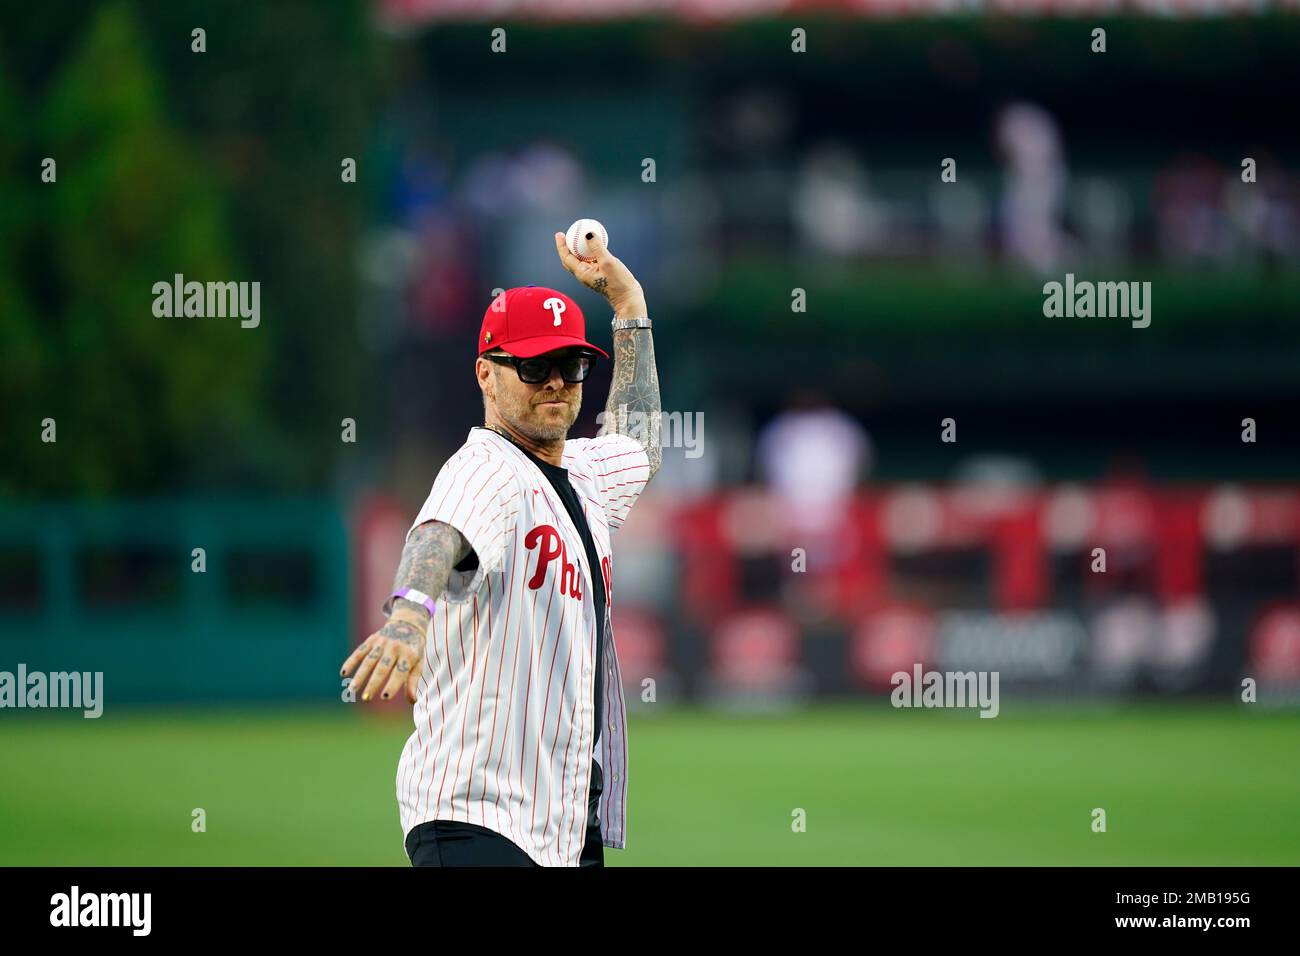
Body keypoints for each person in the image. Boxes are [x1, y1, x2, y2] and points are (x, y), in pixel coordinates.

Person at [341, 229, 661, 867]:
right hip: (475, 815)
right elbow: (439, 532)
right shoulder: (487, 466)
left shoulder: (587, 475)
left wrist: (628, 306)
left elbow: (642, 444)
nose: (555, 383)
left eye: (570, 367)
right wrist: (408, 616)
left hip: (561, 822)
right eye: (534, 366)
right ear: (486, 374)